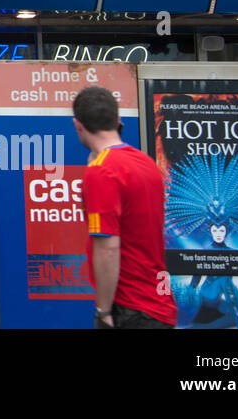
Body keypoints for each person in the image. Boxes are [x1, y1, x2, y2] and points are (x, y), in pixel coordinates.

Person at [73, 85, 177, 329]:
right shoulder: (145, 162)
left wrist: (103, 311)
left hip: (130, 308)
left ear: (78, 125)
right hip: (158, 304)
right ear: (117, 120)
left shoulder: (102, 171)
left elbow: (107, 247)